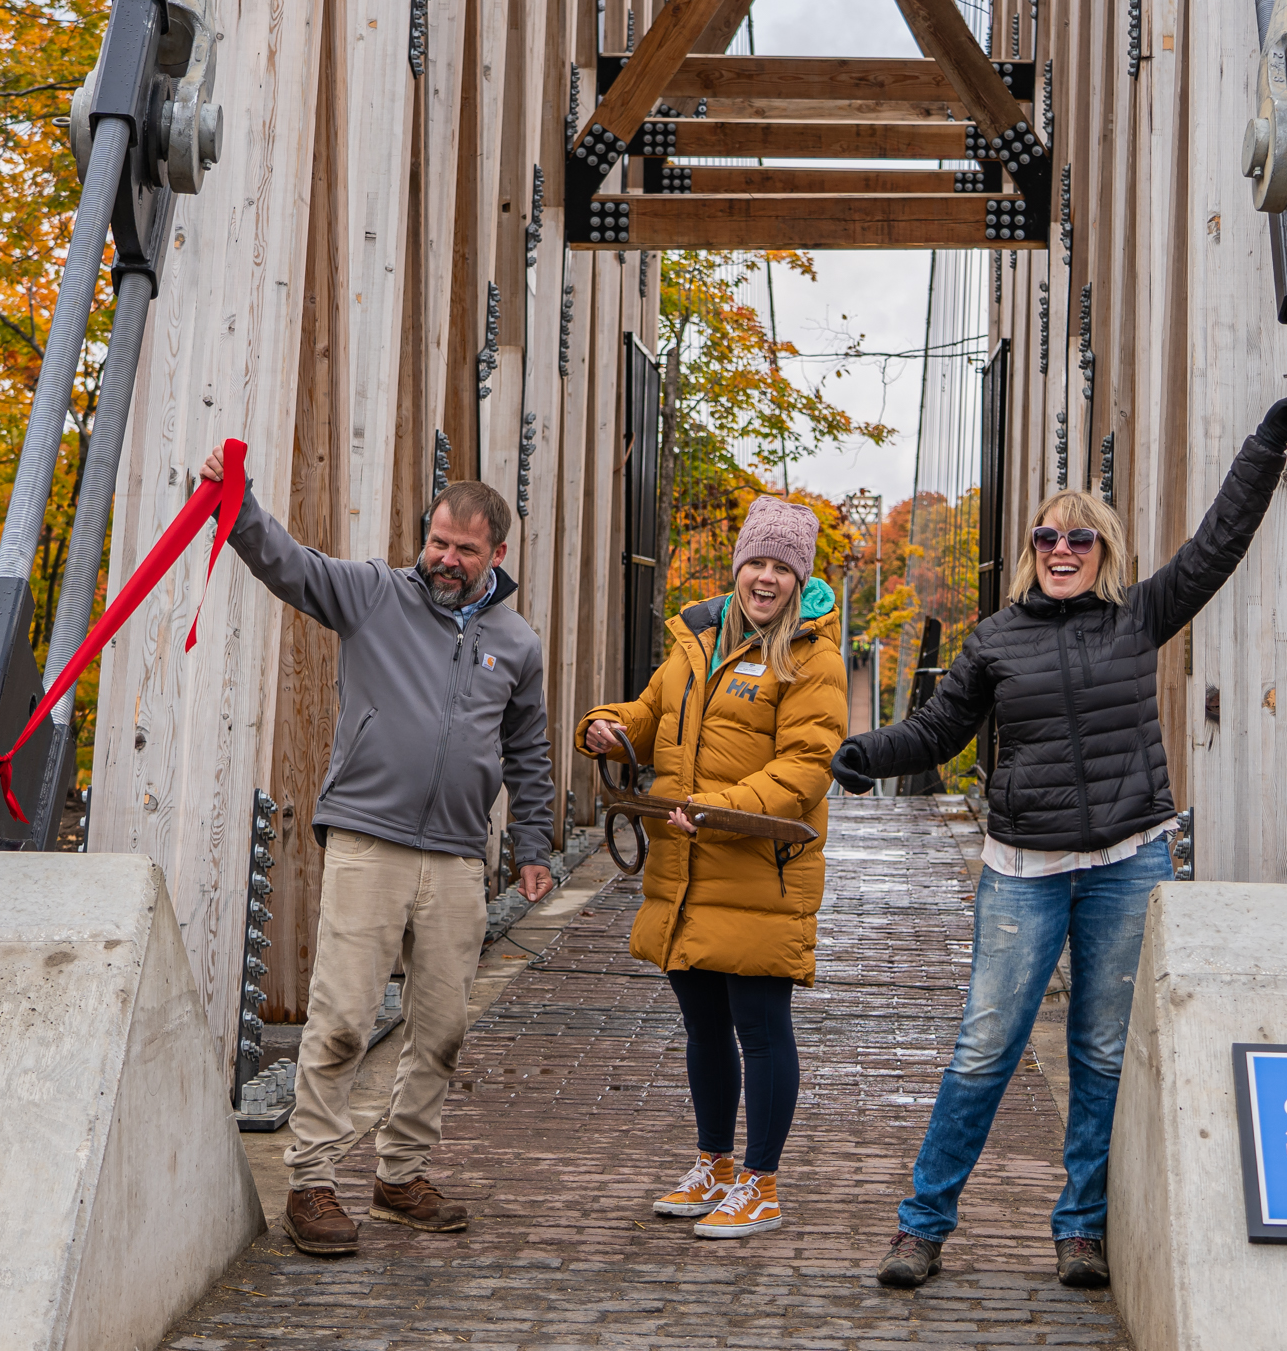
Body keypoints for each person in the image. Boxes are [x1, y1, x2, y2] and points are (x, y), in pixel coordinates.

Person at [832, 393, 1287, 1290]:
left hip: (1129, 861)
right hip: (1025, 870)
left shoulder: (1138, 616)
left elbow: (1219, 542)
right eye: (1047, 538)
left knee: (1098, 1052)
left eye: (1079, 539)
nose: (1062, 549)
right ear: (1030, 553)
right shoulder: (994, 640)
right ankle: (921, 1226)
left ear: (1104, 553)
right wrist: (867, 750)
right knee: (984, 1047)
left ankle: (1081, 1228)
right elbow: (938, 731)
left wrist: (1269, 439)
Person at [201, 444, 556, 1257]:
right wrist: (239, 502)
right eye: (438, 540)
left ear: (496, 555)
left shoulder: (518, 642)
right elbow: (288, 565)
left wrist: (532, 844)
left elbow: (529, 752)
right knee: (340, 1023)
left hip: (460, 857)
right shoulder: (373, 595)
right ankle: (313, 1182)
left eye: (466, 550)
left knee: (440, 1029)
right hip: (369, 841)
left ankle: (400, 1173)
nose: (445, 559)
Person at [576, 494, 846, 1240]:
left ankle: (762, 1182)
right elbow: (653, 711)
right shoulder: (695, 640)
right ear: (737, 566)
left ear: (799, 578)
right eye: (755, 561)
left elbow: (805, 767)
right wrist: (609, 727)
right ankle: (715, 1164)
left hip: (758, 866)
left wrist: (721, 806)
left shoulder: (812, 657)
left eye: (780, 567)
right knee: (702, 1026)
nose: (765, 578)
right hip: (684, 865)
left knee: (760, 1026)